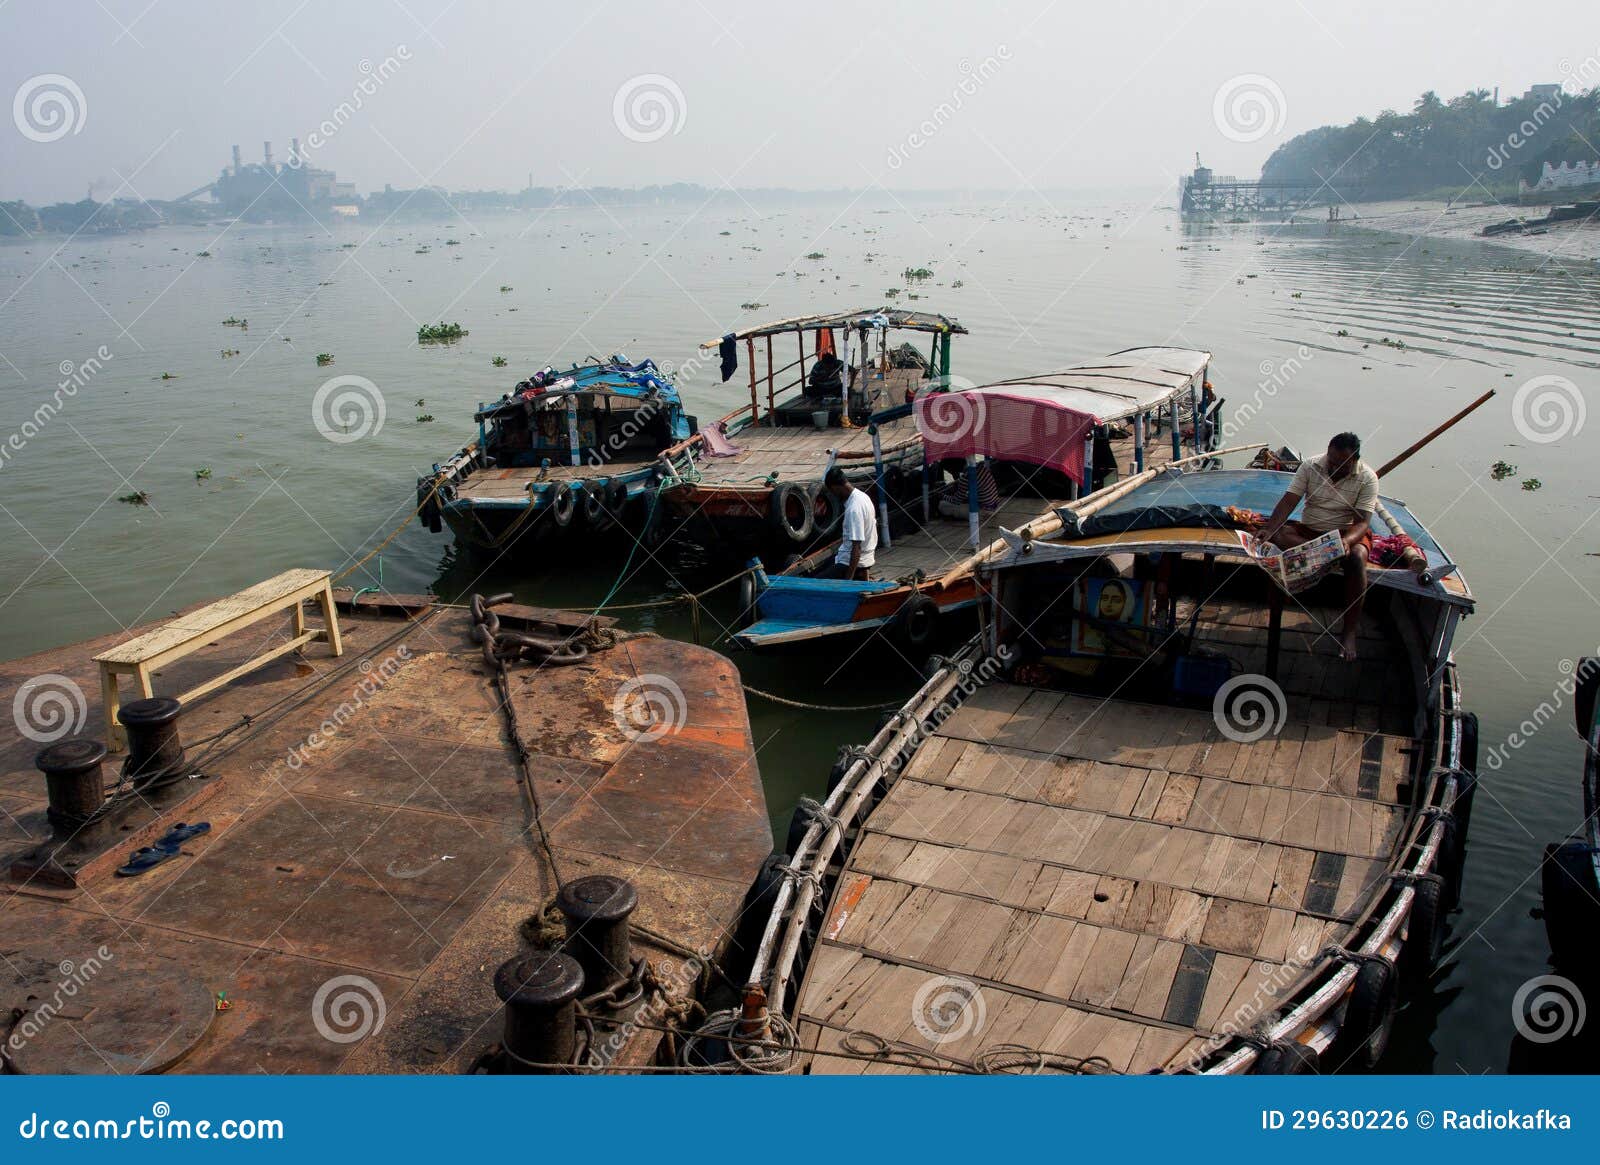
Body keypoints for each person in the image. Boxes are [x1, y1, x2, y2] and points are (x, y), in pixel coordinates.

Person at [1258, 432, 1379, 662]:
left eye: (1341, 464)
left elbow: (1363, 522)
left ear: (1354, 460)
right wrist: (1271, 528)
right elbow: (1288, 501)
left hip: (1345, 532)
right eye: (1331, 461)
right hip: (1310, 530)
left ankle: (1349, 631)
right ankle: (1278, 610)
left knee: (1357, 557)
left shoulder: (1367, 477)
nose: (1334, 467)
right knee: (1277, 538)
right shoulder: (1311, 466)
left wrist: (1346, 541)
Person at [823, 466, 876, 579]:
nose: (834, 495)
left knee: (812, 583)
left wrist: (848, 581)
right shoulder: (863, 496)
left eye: (832, 491)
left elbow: (856, 548)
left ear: (836, 488)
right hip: (859, 557)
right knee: (818, 570)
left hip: (851, 563)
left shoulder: (854, 509)